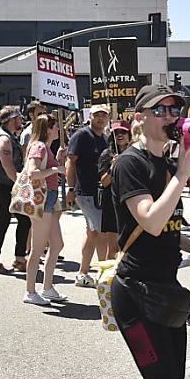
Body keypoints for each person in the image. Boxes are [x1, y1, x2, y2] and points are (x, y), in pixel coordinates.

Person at [111, 84, 190, 379]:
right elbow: (150, 221)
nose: (169, 117)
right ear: (140, 118)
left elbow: (167, 227)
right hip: (135, 298)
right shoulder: (129, 164)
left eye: (174, 110)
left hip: (166, 292)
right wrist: (181, 176)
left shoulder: (166, 165)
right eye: (160, 110)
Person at [23, 114, 69, 305]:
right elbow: (32, 173)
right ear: (48, 128)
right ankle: (30, 291)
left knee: (56, 245)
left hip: (48, 199)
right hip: (42, 200)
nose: (59, 130)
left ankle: (47, 287)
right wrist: (56, 170)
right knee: (38, 248)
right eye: (56, 127)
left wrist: (56, 162)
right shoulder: (39, 147)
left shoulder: (44, 147)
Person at [66, 104, 111, 288]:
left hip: (99, 194)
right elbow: (70, 161)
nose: (100, 119)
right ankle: (103, 274)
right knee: (101, 233)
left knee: (92, 233)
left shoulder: (106, 139)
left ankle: (82, 274)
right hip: (86, 192)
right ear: (90, 116)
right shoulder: (82, 136)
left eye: (104, 115)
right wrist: (70, 188)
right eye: (97, 115)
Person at [0, 106, 31, 274]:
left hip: (11, 186)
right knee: (2, 223)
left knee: (24, 220)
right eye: (19, 118)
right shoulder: (4, 139)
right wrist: (21, 185)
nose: (21, 121)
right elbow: (8, 166)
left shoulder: (10, 137)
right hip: (4, 187)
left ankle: (20, 259)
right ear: (12, 120)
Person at [98, 121, 130, 241]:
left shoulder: (135, 154)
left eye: (123, 132)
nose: (120, 135)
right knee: (113, 248)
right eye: (116, 132)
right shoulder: (107, 154)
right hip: (112, 204)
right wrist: (113, 167)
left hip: (130, 201)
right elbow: (104, 182)